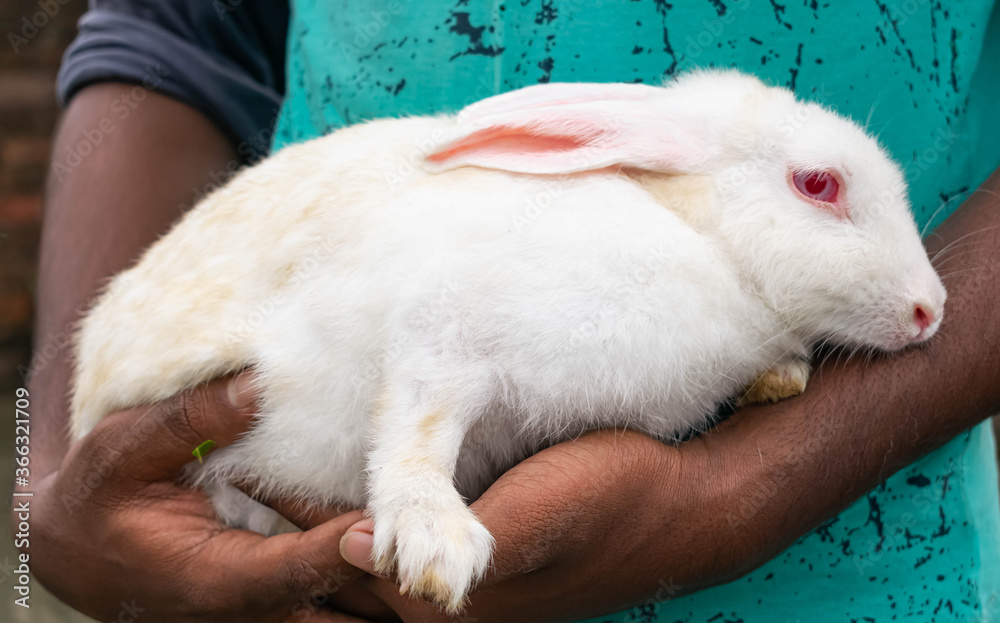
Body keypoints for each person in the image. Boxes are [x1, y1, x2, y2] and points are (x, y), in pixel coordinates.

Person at [20, 1, 1000, 621]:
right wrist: (60, 465)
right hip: (292, 538)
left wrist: (735, 494)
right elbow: (181, 31)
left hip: (870, 576)